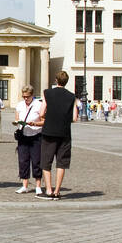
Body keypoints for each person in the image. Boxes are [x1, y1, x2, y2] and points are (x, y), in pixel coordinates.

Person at [34, 71, 75, 200]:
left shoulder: (48, 93)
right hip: (64, 133)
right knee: (61, 163)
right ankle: (57, 191)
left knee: (46, 161)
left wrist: (50, 115)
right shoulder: (72, 96)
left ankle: (49, 190)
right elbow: (74, 117)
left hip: (49, 131)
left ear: (56, 80)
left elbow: (41, 113)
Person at [13, 85, 44, 195]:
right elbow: (17, 118)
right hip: (23, 136)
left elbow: (44, 121)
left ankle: (38, 186)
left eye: (27, 97)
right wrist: (17, 122)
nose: (25, 99)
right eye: (24, 96)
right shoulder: (20, 105)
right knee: (23, 161)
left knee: (37, 161)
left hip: (36, 135)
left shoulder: (39, 105)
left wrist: (35, 123)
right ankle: (24, 185)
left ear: (32, 95)